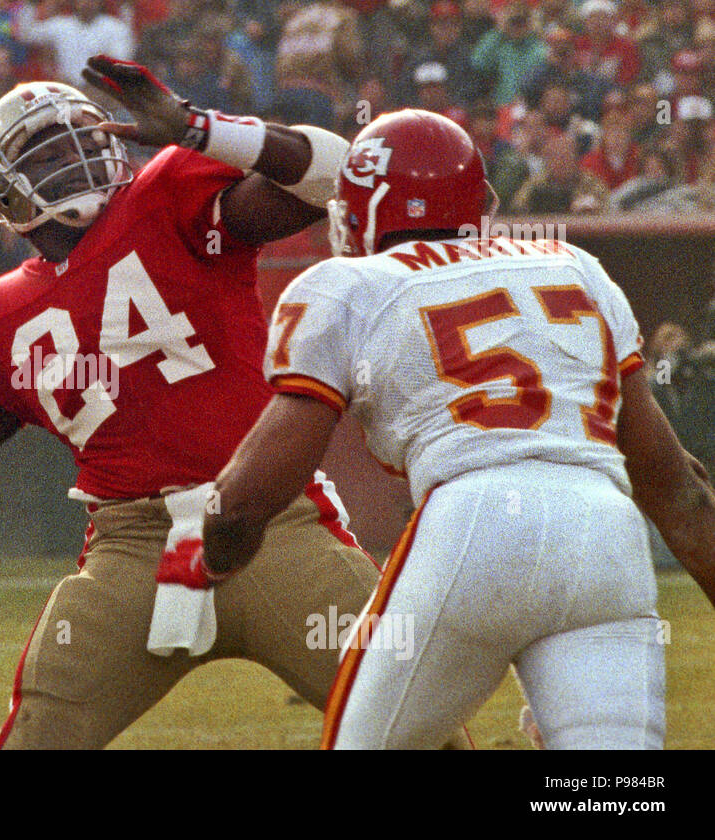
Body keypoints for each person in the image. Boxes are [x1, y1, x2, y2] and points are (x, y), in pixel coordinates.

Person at [0, 57, 469, 749]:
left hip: (273, 523)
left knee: (416, 724)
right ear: (6, 191)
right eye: (46, 153)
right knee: (39, 736)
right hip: (131, 550)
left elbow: (338, 175)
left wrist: (200, 129)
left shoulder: (168, 196)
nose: (72, 160)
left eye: (82, 142)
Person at [202, 109, 715, 749]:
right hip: (605, 531)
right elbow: (680, 491)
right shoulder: (573, 266)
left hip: (473, 523)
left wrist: (214, 557)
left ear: (365, 210)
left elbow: (248, 496)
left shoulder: (347, 286)